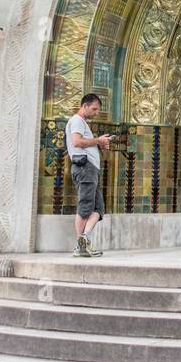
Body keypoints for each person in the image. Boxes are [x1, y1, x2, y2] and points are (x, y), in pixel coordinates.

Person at [67, 92, 111, 257]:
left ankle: (84, 238)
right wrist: (98, 141)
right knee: (85, 206)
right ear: (84, 106)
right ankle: (80, 245)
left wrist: (99, 144)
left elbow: (83, 144)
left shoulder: (82, 123)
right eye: (94, 109)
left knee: (98, 208)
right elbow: (77, 142)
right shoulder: (77, 121)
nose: (96, 113)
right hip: (85, 168)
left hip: (91, 170)